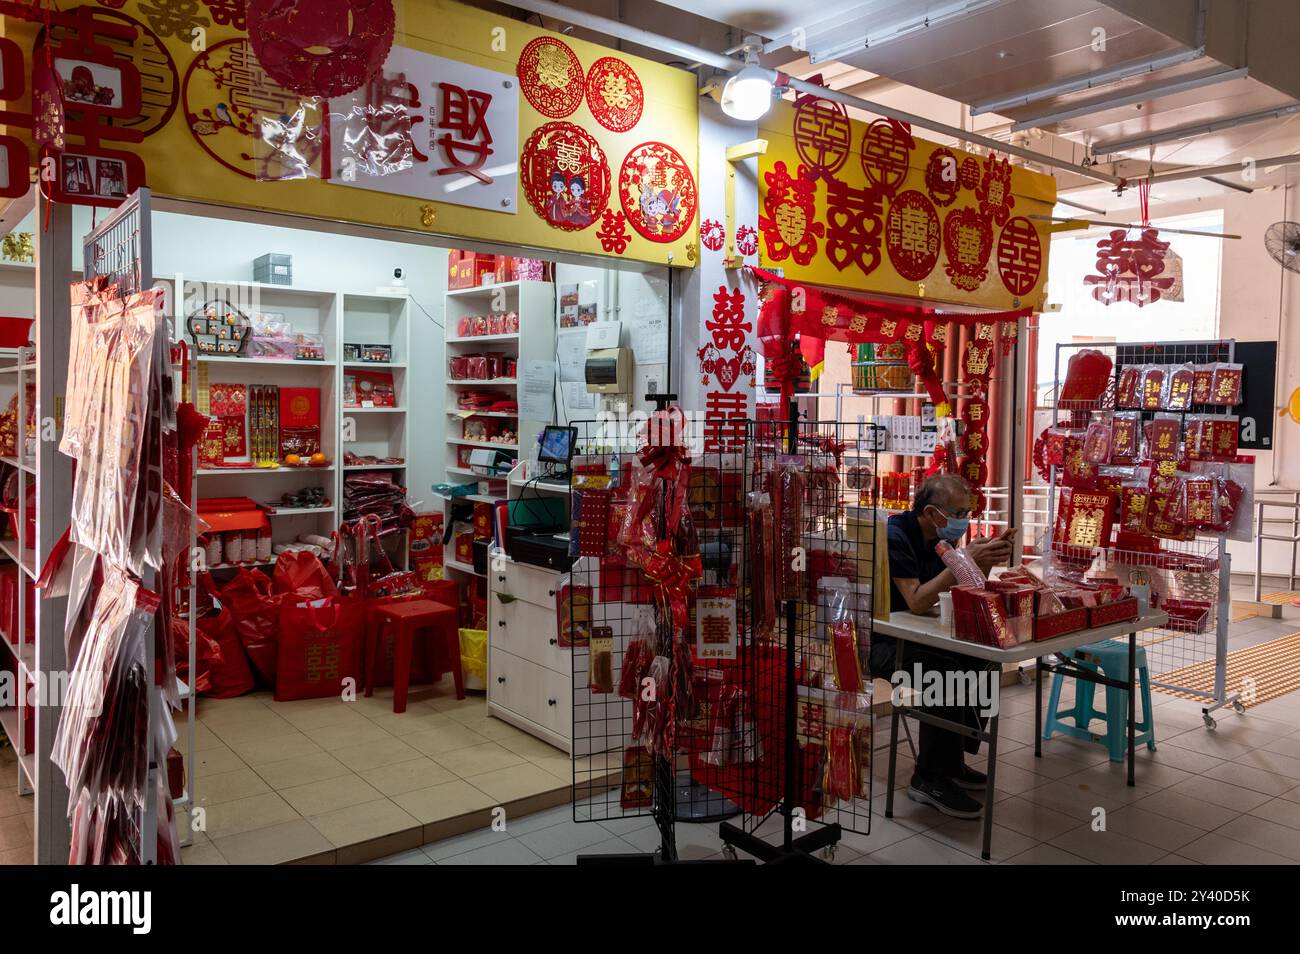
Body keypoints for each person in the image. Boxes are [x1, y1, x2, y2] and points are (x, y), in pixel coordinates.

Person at [869, 473, 1014, 819]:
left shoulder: (941, 539)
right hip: (883, 643)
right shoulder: (896, 536)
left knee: (984, 659)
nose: (963, 520)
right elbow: (917, 601)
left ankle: (952, 760)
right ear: (933, 512)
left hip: (920, 635)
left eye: (967, 512)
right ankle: (928, 778)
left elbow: (970, 583)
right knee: (944, 675)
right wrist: (960, 559)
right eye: (958, 512)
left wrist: (988, 555)